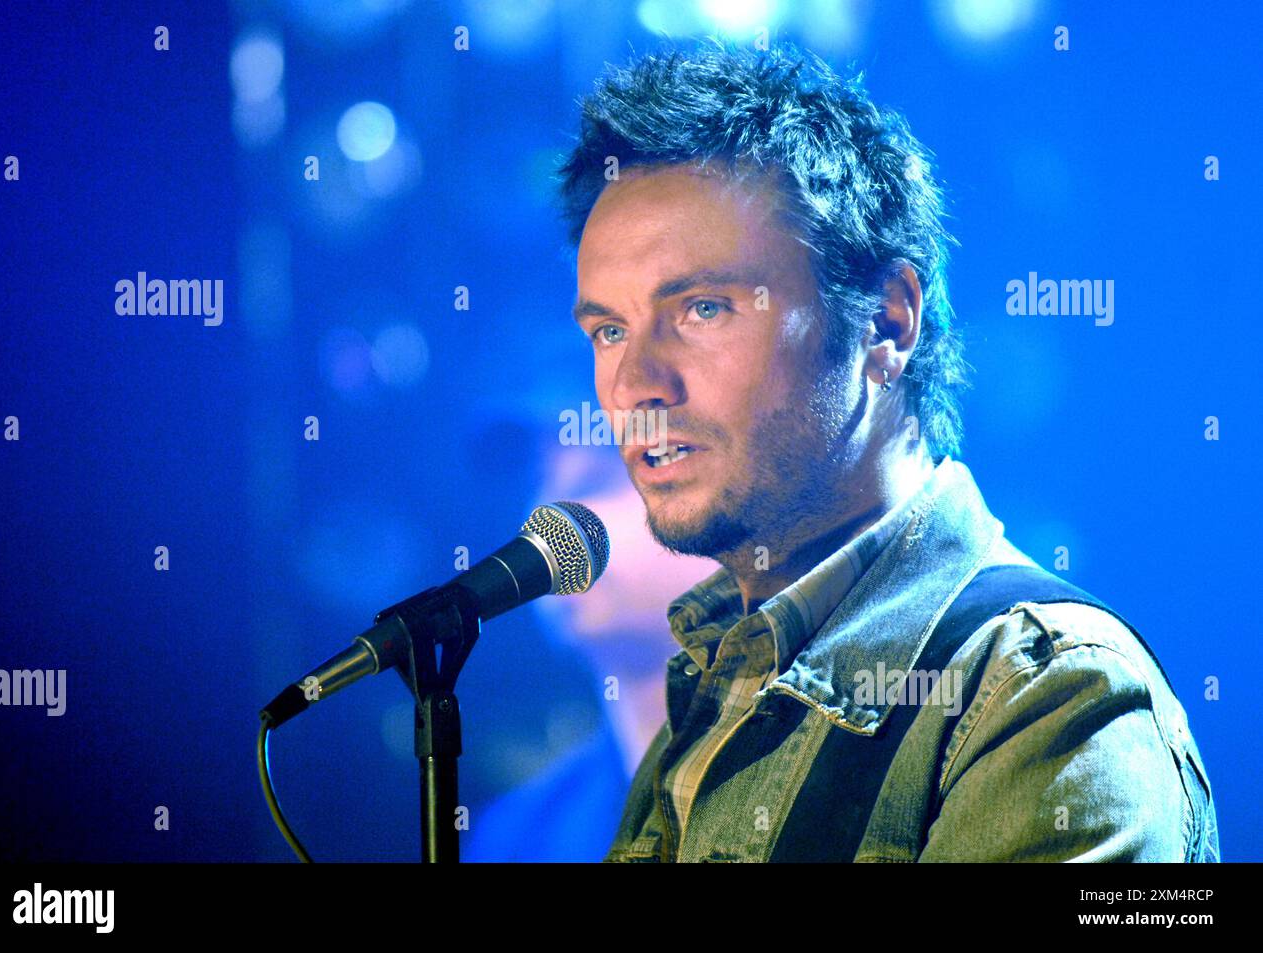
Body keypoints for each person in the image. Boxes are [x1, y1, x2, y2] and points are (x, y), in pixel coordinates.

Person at [555, 40, 1219, 862]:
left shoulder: (1049, 695)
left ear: (886, 321)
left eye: (702, 309)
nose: (634, 385)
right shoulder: (713, 688)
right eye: (609, 329)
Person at [462, 443, 714, 862]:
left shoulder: (832, 768)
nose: (546, 527)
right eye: (538, 493)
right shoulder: (514, 839)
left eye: (594, 481)